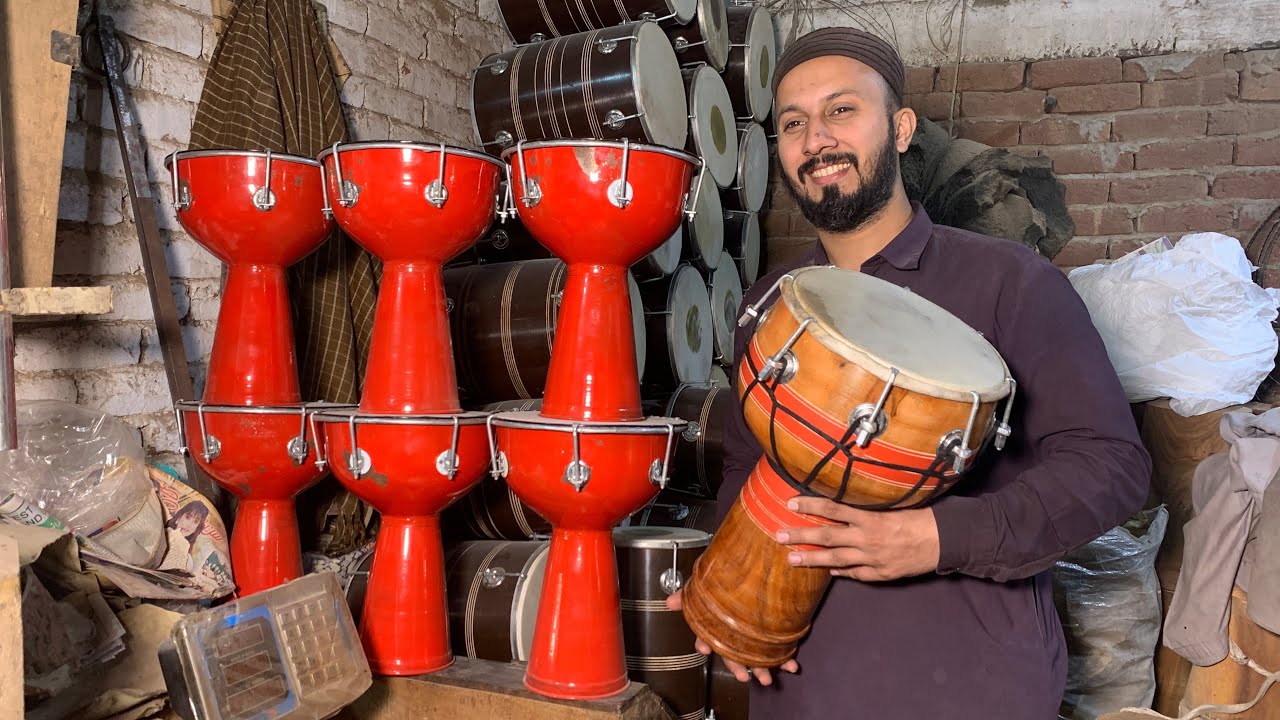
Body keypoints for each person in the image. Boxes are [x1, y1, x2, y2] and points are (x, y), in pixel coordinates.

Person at [667, 26, 1152, 718]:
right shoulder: (769, 301)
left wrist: (939, 538)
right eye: (794, 123)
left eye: (842, 110)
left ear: (899, 129)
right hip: (802, 690)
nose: (816, 140)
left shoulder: (1012, 283)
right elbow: (748, 467)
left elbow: (1113, 466)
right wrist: (735, 592)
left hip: (969, 689)